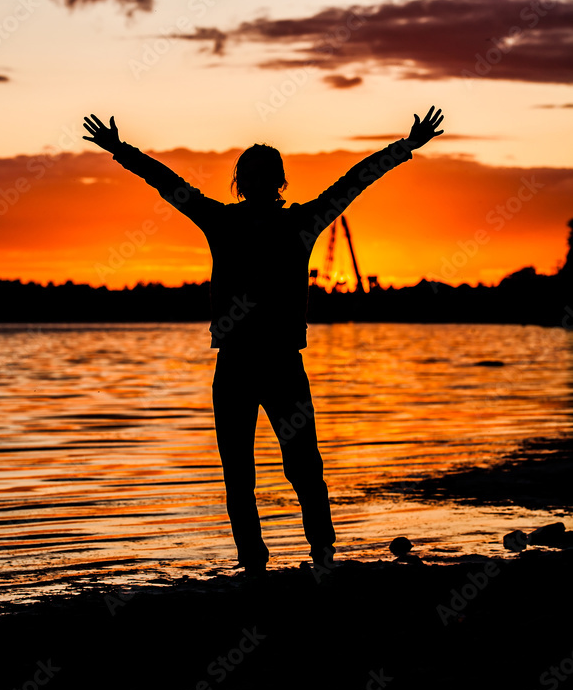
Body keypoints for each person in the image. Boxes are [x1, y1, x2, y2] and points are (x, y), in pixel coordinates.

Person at [82, 106, 444, 575]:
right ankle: (255, 565)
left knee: (303, 466)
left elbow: (356, 181)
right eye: (248, 176)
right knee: (240, 473)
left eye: (261, 176)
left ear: (277, 182)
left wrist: (404, 147)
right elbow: (167, 183)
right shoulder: (225, 222)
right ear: (242, 183)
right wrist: (120, 150)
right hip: (234, 365)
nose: (254, 184)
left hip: (280, 365)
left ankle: (321, 555)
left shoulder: (299, 223)